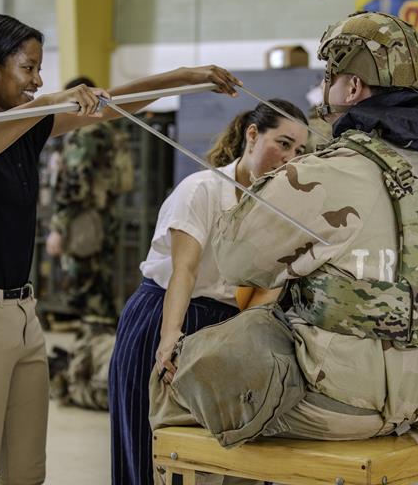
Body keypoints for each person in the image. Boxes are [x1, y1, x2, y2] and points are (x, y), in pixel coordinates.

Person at [148, 11, 418, 484]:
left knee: (180, 383)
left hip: (341, 404)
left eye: (331, 76)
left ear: (354, 89)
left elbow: (240, 262)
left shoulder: (329, 171)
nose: (326, 87)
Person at [0, 12, 239, 484]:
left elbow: (112, 106)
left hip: (24, 319)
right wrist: (47, 102)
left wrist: (184, 78)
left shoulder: (27, 135)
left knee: (27, 472)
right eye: (28, 68)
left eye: (39, 69)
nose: (38, 79)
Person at [108, 99, 309, 485]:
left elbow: (272, 284)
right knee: (148, 446)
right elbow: (184, 270)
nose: (289, 158)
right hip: (165, 315)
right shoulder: (201, 189)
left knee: (211, 459)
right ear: (252, 135)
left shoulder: (276, 206)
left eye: (298, 150)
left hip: (223, 327)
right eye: (282, 144)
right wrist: (170, 340)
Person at [46, 76, 134, 328]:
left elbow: (76, 183)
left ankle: (96, 357)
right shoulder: (108, 128)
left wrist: (58, 227)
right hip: (106, 218)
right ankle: (98, 357)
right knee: (100, 287)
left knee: (86, 294)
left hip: (84, 223)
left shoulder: (83, 133)